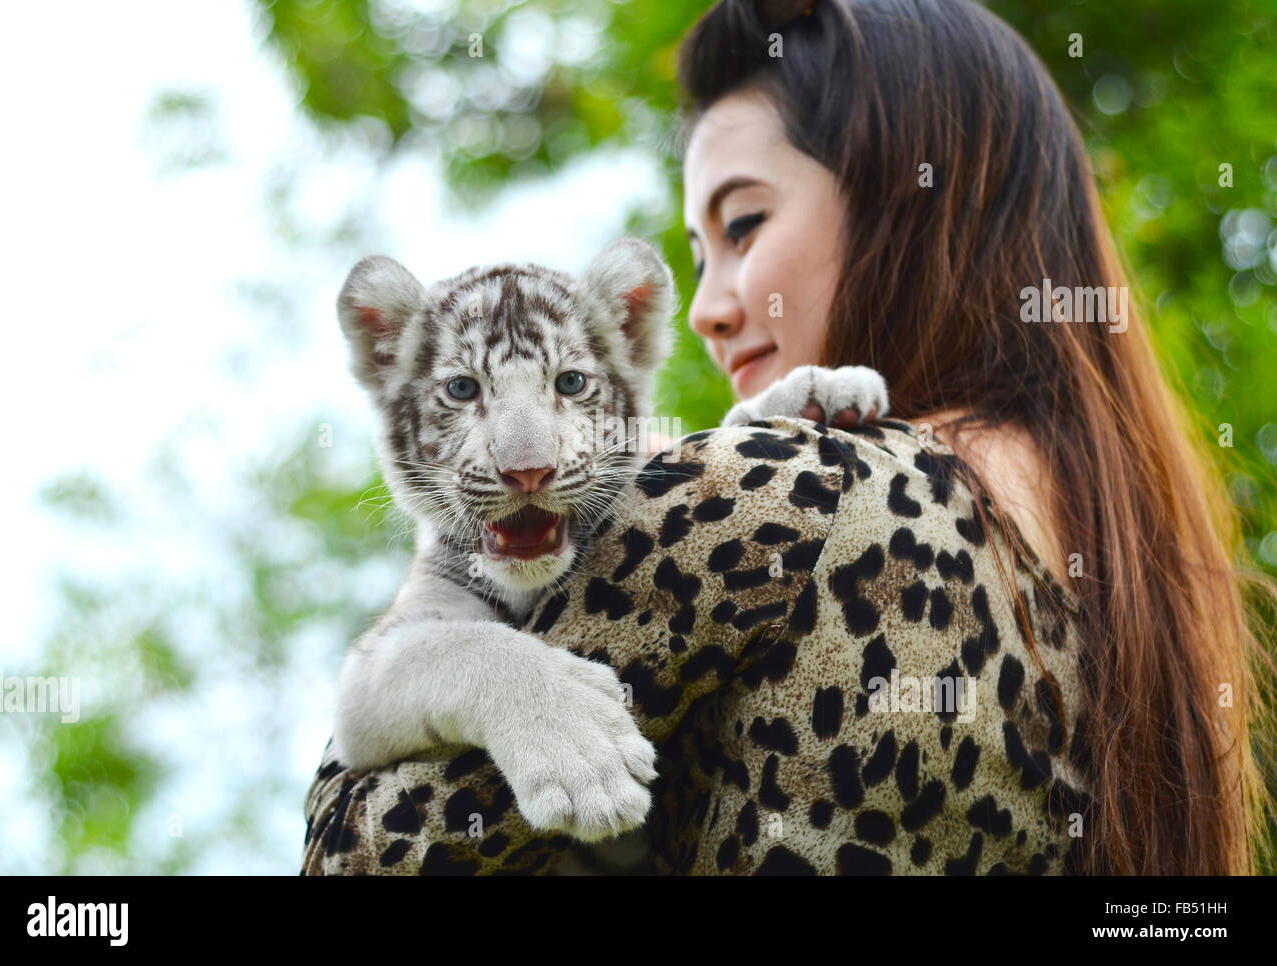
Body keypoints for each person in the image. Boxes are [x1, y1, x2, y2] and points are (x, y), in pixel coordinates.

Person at [302, 0, 1274, 875]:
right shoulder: (1133, 575)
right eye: (698, 252)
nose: (707, 312)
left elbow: (352, 848)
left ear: (916, 196)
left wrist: (757, 458)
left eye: (744, 224)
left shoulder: (776, 501)